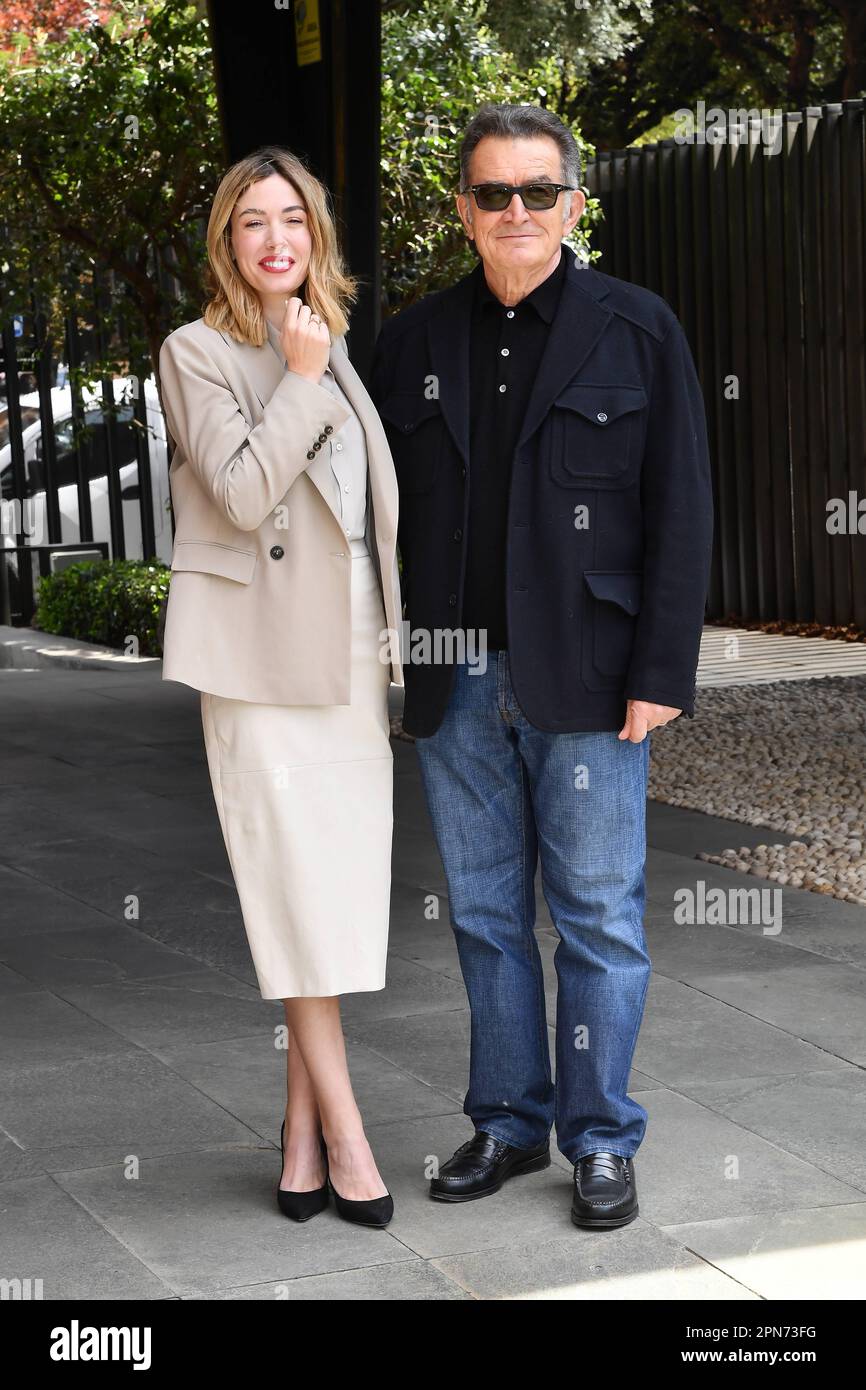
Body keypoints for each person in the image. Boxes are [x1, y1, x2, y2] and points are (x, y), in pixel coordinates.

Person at [370, 103, 714, 1229]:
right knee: (479, 912)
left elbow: (680, 509)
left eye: (535, 191)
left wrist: (660, 667)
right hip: (455, 677)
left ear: (572, 203)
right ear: (462, 210)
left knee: (598, 915)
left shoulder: (637, 327)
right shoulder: (413, 344)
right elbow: (378, 521)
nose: (513, 212)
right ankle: (509, 1123)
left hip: (592, 675)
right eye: (490, 193)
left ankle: (599, 1135)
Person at [158, 145, 404, 1229]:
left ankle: (300, 1136)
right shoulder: (196, 351)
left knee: (336, 888)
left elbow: (359, 510)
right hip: (259, 656)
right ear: (226, 239)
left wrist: (314, 365)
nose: (274, 240)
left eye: (291, 219)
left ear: (316, 234)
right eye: (252, 221)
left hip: (349, 645)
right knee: (291, 884)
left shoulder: (330, 338)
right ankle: (347, 1135)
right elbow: (247, 492)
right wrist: (300, 381)